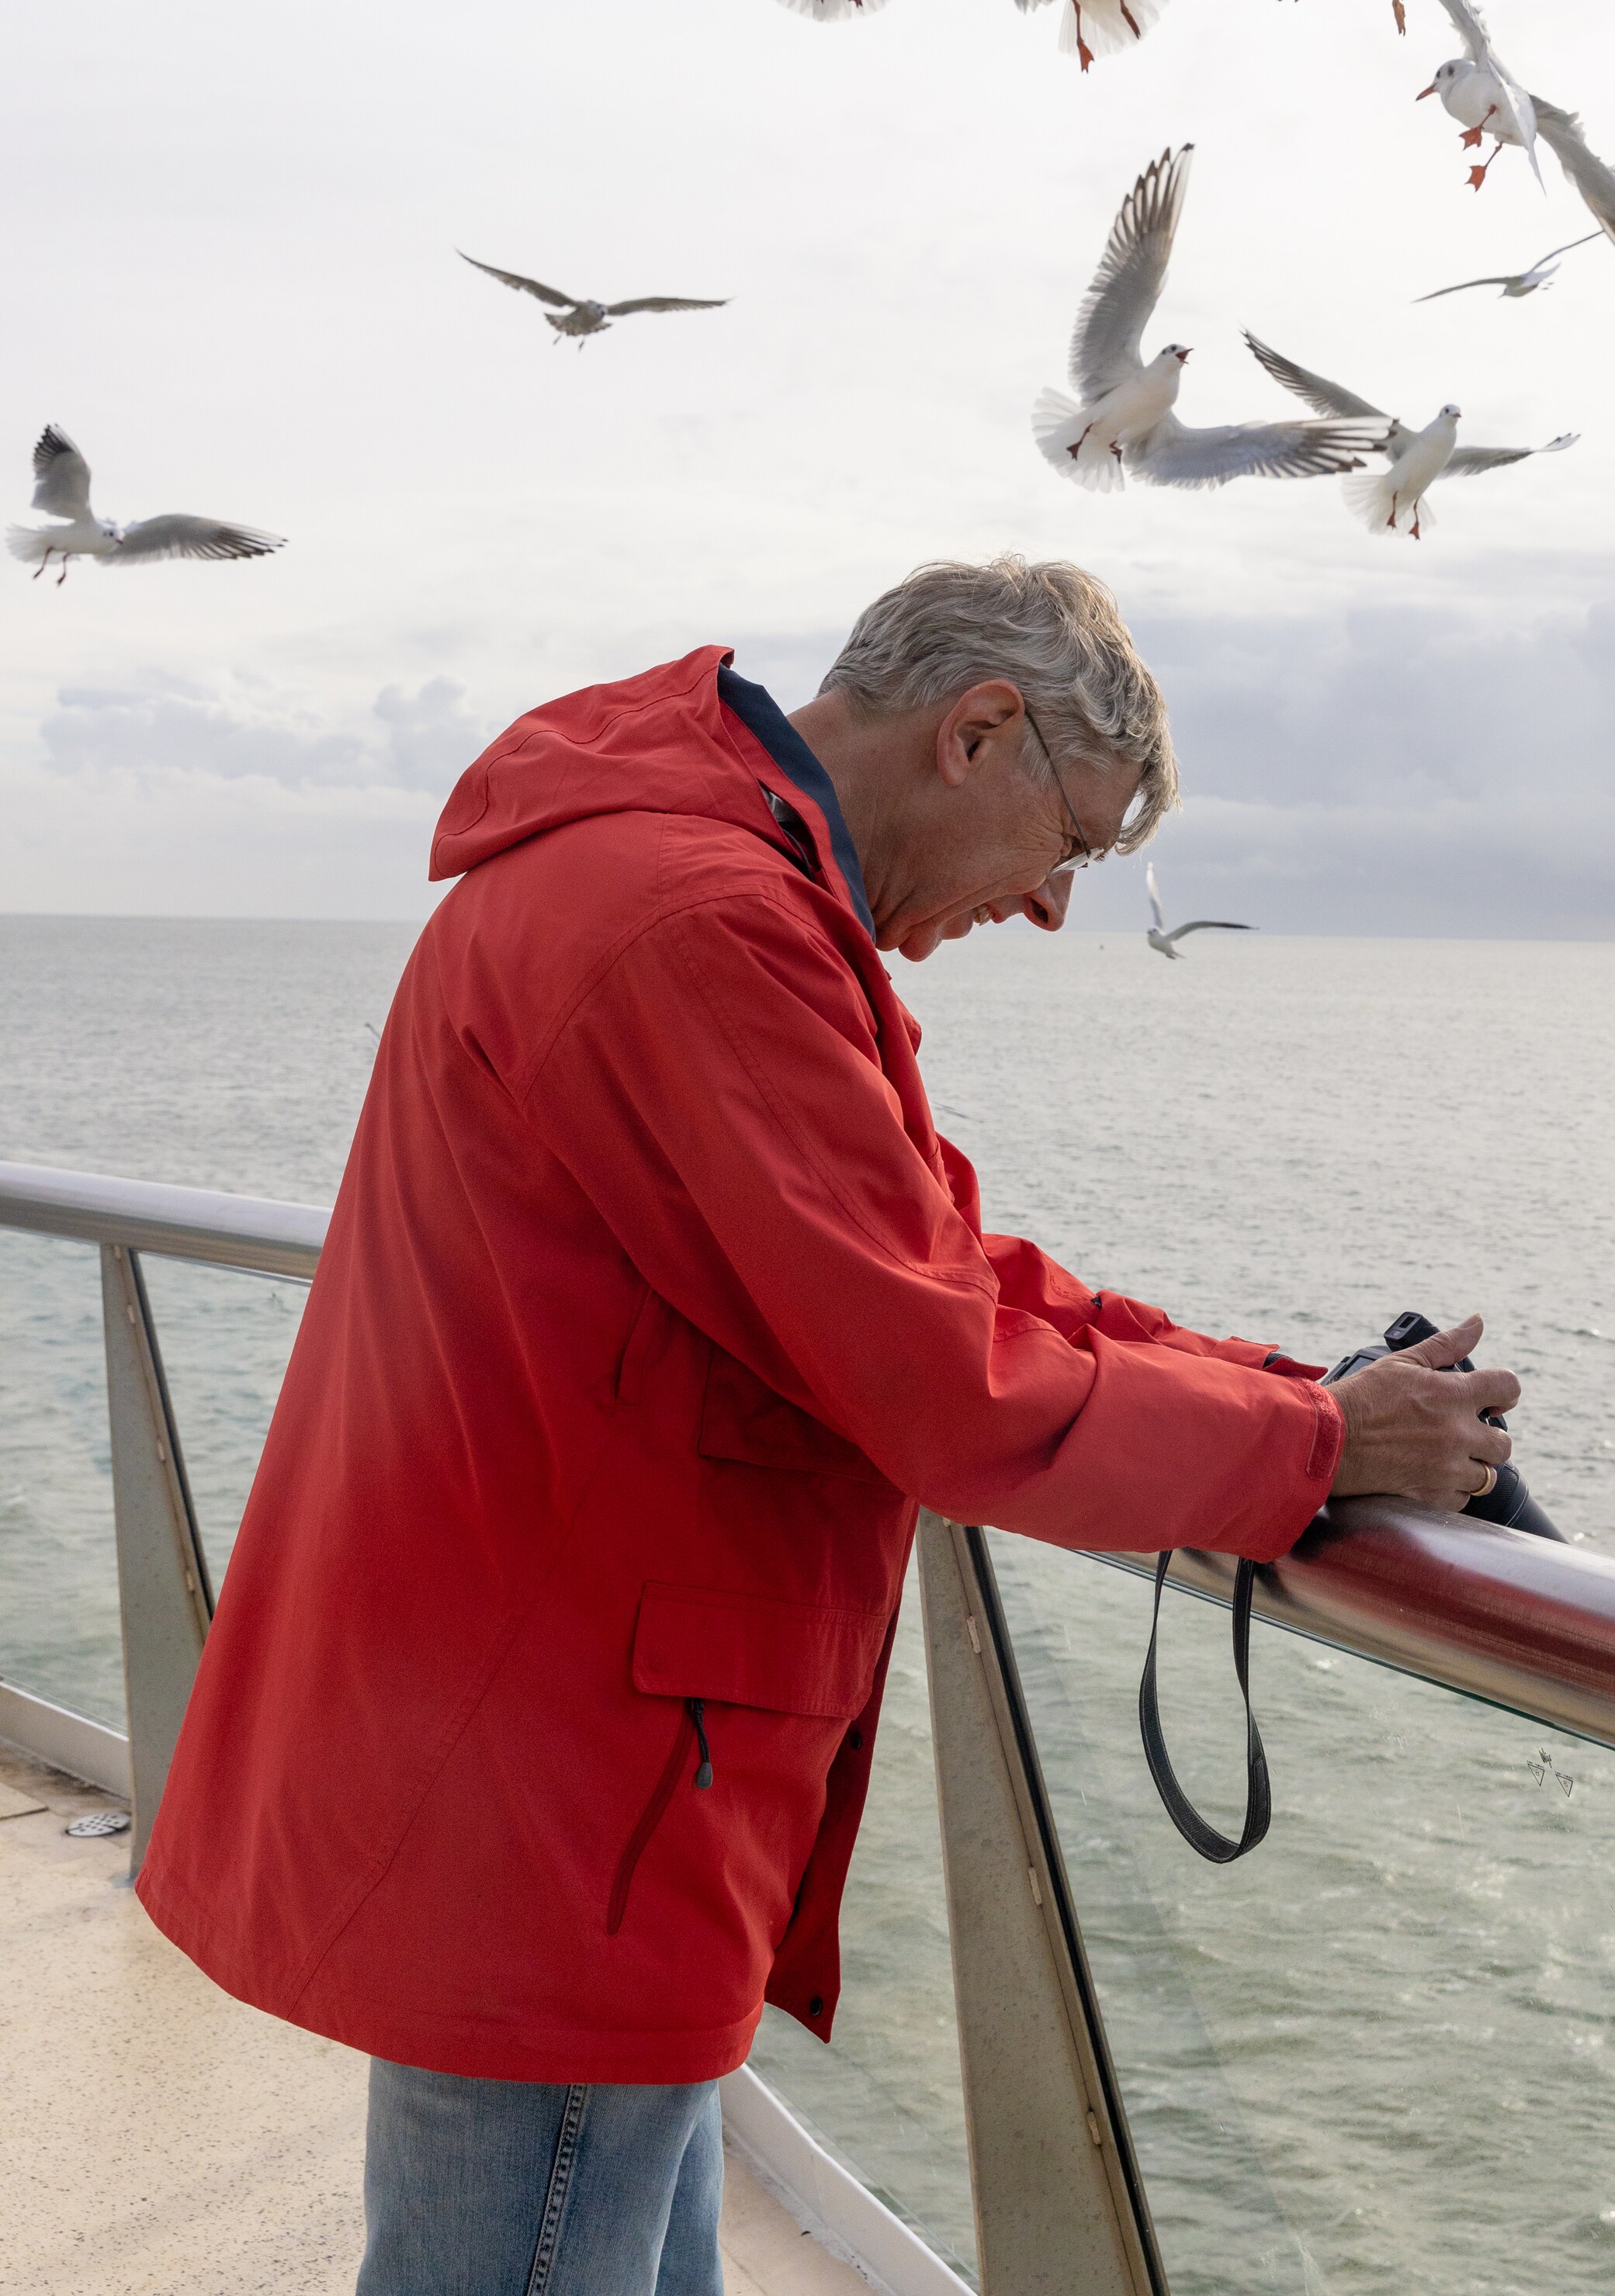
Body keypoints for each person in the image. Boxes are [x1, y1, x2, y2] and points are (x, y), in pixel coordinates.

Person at [137, 555, 1518, 2296]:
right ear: (979, 732)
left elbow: (929, 1261)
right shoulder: (699, 923)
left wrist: (1279, 1392)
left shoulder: (667, 874)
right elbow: (948, 1385)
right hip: (564, 1786)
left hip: (543, 1748)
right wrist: (1317, 1458)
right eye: (1073, 846)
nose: (1053, 911)